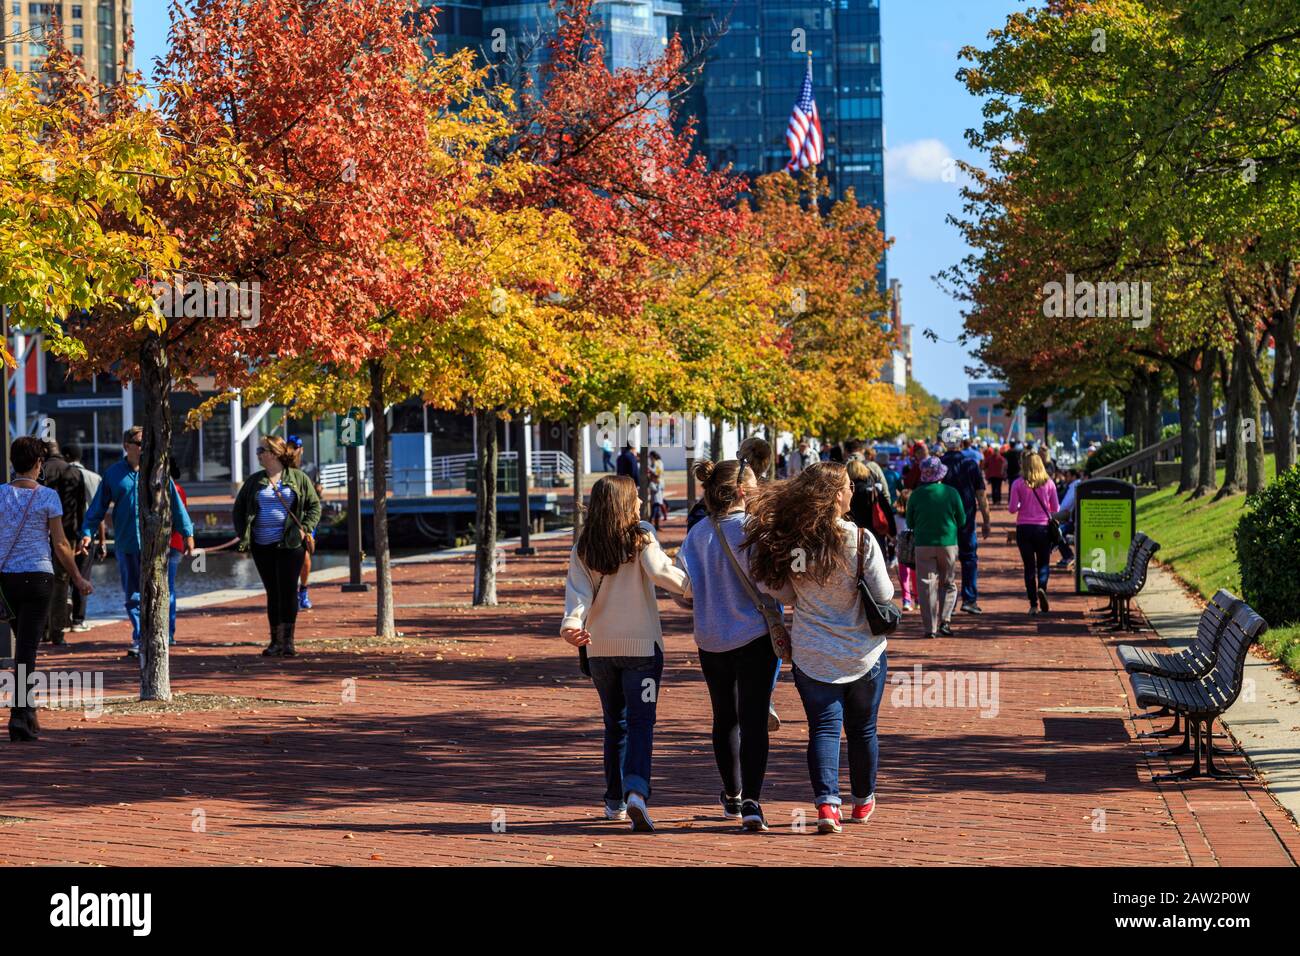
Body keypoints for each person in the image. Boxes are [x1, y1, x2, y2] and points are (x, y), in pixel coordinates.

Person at [743, 462, 894, 834]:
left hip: (812, 653)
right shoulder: (860, 540)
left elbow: (781, 589)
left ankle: (827, 804)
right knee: (863, 730)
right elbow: (885, 595)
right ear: (833, 495)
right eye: (846, 487)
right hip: (863, 652)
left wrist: (808, 595)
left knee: (824, 730)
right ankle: (862, 799)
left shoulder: (797, 545)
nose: (852, 492)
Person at [560, 475, 686, 832]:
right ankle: (636, 790)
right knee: (641, 722)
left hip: (599, 648)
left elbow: (578, 595)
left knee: (614, 724)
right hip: (642, 647)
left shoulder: (584, 546)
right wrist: (694, 587)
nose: (642, 504)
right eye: (637, 498)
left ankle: (613, 799)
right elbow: (662, 572)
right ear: (625, 503)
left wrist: (571, 625)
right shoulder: (641, 534)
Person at [674, 459, 778, 832]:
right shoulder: (755, 530)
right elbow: (771, 586)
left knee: (724, 717)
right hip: (754, 636)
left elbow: (681, 593)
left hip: (711, 637)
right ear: (741, 492)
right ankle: (752, 800)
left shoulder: (696, 533)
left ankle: (731, 793)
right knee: (754, 720)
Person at [1, 437, 93, 741]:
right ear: (39, 465)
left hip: (7, 581)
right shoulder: (48, 497)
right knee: (27, 648)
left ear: (14, 463)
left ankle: (26, 712)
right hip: (39, 578)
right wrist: (78, 579)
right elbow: (61, 544)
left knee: (22, 644)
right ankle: (19, 716)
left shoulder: (0, 495)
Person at [79, 427, 195, 658]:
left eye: (147, 443)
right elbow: (97, 508)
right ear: (127, 445)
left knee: (161, 592)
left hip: (157, 545)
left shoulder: (158, 472)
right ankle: (141, 636)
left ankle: (163, 636)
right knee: (133, 594)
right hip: (128, 544)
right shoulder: (113, 474)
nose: (144, 447)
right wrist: (87, 532)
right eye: (139, 443)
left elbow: (176, 506)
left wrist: (187, 533)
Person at [233, 435, 322, 658]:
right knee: (273, 592)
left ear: (272, 453)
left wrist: (305, 528)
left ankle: (288, 642)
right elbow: (239, 509)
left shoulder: (298, 478)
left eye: (260, 450)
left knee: (288, 590)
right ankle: (275, 641)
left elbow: (314, 506)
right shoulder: (255, 481)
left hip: (291, 544)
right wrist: (244, 535)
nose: (258, 454)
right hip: (262, 545)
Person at [905, 457, 965, 639]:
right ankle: (945, 620)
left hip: (923, 544)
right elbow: (962, 519)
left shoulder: (916, 494)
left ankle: (930, 627)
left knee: (926, 586)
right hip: (948, 543)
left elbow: (909, 522)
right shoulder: (951, 492)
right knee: (948, 583)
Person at [38, 439, 85, 647]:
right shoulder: (74, 473)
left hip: (41, 534)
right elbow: (80, 508)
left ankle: (43, 630)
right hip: (68, 535)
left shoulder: (40, 473)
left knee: (41, 581)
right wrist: (83, 533)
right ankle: (58, 632)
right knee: (61, 583)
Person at [939, 434, 991, 615]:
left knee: (946, 562)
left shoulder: (938, 465)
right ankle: (969, 599)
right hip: (967, 520)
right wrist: (986, 520)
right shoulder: (970, 464)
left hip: (943, 521)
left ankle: (949, 603)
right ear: (961, 443)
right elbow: (981, 494)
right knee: (969, 559)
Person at [1008, 450, 1061, 616]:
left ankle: (1033, 604)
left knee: (1029, 567)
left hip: (1024, 528)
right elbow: (1056, 508)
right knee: (1043, 563)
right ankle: (1042, 588)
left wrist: (1021, 505)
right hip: (1043, 528)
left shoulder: (1018, 483)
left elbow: (1011, 509)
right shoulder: (1049, 483)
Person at [64, 443, 102, 631]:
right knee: (83, 573)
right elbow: (99, 511)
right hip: (88, 533)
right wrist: (102, 540)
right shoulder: (95, 478)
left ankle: (62, 611)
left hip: (64, 532)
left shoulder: (61, 476)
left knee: (64, 574)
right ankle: (79, 620)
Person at [285, 435, 317, 611]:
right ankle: (289, 593)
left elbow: (316, 492)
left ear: (301, 449)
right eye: (290, 446)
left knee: (304, 557)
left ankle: (303, 591)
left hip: (304, 519)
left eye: (295, 447)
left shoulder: (310, 468)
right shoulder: (282, 469)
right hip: (286, 519)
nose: (293, 450)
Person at [847, 459, 895, 554]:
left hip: (853, 534)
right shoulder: (872, 490)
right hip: (875, 532)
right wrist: (893, 533)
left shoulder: (847, 491)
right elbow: (887, 512)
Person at [1054, 468, 1081, 569]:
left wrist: (1055, 512)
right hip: (1071, 519)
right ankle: (1068, 556)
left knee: (1056, 531)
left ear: (1074, 477)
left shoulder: (1075, 486)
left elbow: (1066, 505)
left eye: (1068, 476)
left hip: (1072, 521)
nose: (1066, 478)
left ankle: (1068, 556)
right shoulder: (1073, 486)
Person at [893, 489, 915, 612]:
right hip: (914, 550)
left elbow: (893, 533)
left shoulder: (896, 518)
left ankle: (906, 600)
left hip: (901, 550)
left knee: (904, 576)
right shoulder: (916, 518)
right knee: (915, 575)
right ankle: (917, 599)